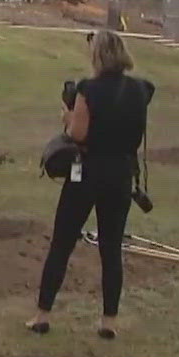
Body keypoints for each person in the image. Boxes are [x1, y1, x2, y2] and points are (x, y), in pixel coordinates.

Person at [29, 30, 153, 340]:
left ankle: (42, 314)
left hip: (87, 172)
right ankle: (108, 321)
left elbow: (79, 134)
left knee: (63, 242)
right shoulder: (142, 90)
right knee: (111, 249)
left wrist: (67, 116)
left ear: (98, 56)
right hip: (122, 174)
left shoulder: (88, 89)